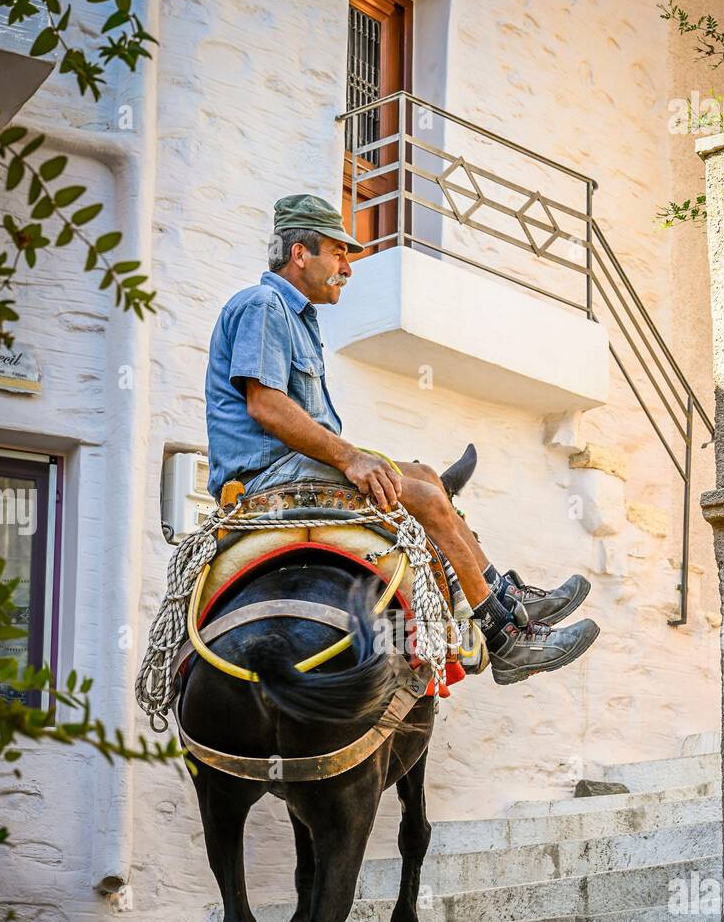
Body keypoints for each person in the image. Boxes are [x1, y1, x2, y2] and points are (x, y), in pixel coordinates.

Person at [205, 193, 599, 685]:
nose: (347, 267)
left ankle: (505, 593)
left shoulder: (296, 316)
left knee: (426, 476)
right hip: (266, 476)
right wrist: (350, 458)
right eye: (338, 252)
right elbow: (265, 405)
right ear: (300, 254)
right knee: (426, 498)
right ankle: (504, 638)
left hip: (292, 467)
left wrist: (356, 458)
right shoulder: (264, 305)